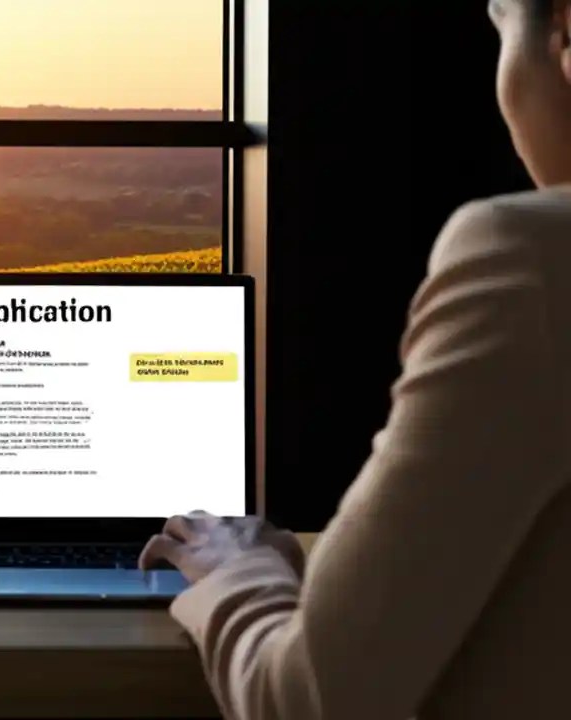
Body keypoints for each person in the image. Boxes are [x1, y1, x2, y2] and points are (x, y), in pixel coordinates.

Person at [138, 1, 571, 718]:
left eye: (501, 29)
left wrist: (235, 565)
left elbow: (303, 699)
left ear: (563, 35)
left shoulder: (531, 261)